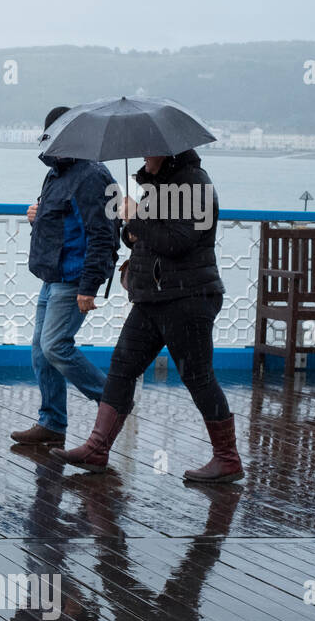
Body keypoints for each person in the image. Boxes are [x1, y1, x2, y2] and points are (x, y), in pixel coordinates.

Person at [53, 148, 244, 482]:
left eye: (148, 155)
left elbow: (178, 242)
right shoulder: (159, 186)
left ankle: (227, 459)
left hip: (188, 298)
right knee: (121, 368)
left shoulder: (196, 185)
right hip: (152, 297)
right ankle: (97, 447)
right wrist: (131, 228)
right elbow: (146, 239)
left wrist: (137, 218)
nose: (143, 161)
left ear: (167, 155)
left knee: (198, 377)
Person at [10, 106, 120, 448]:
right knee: (41, 352)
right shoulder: (58, 173)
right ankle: (53, 422)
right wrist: (36, 217)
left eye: (51, 135)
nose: (46, 142)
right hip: (52, 275)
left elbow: (104, 236)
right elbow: (60, 220)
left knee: (56, 346)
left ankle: (113, 403)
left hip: (73, 278)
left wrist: (89, 286)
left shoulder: (92, 176)